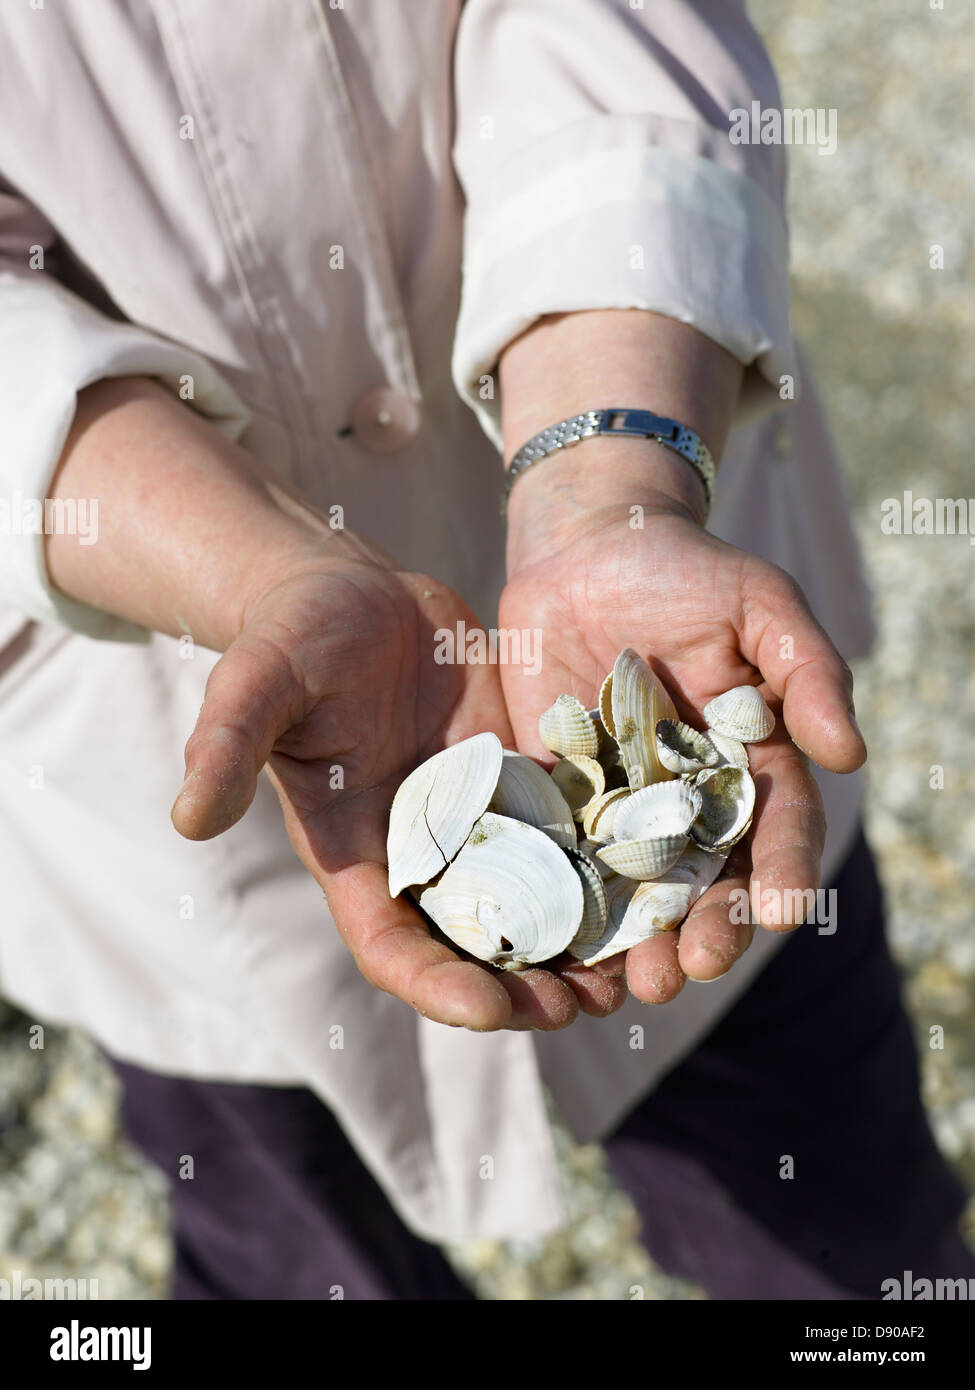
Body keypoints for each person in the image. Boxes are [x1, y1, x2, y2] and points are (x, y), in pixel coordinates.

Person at [0, 0, 970, 1299]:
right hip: (160, 788)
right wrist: (247, 566)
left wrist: (609, 477)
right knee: (297, 1254)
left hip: (670, 599)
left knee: (851, 1253)